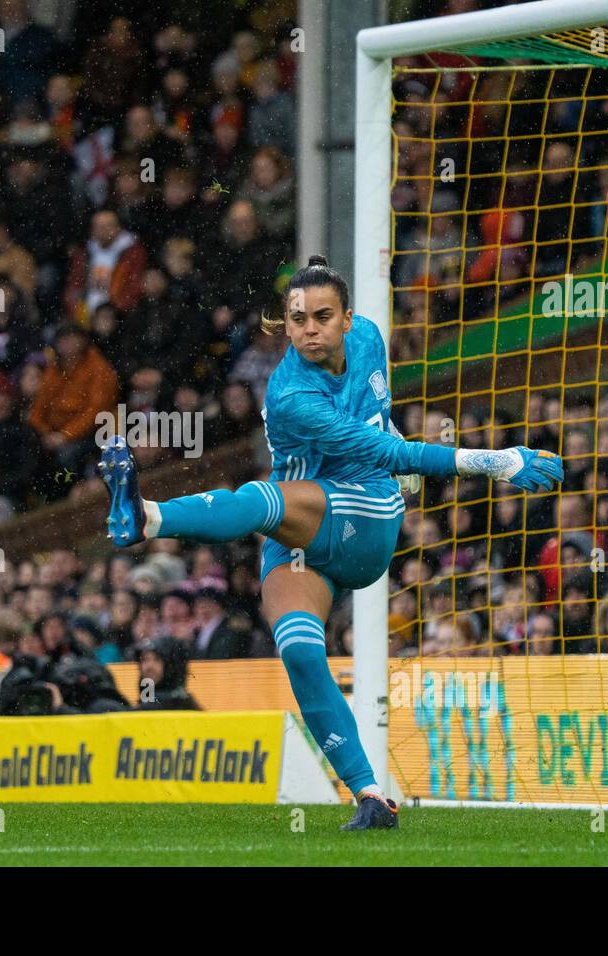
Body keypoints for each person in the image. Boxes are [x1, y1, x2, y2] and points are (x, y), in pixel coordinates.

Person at [97, 256, 564, 831]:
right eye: (297, 320)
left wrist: (487, 461)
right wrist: (493, 460)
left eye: (322, 316)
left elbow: (385, 448)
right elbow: (390, 449)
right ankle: (370, 795)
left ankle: (148, 518)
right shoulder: (291, 394)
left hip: (365, 517)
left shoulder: (369, 338)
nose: (309, 329)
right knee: (298, 650)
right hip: (303, 532)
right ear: (285, 326)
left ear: (347, 319)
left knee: (263, 498)